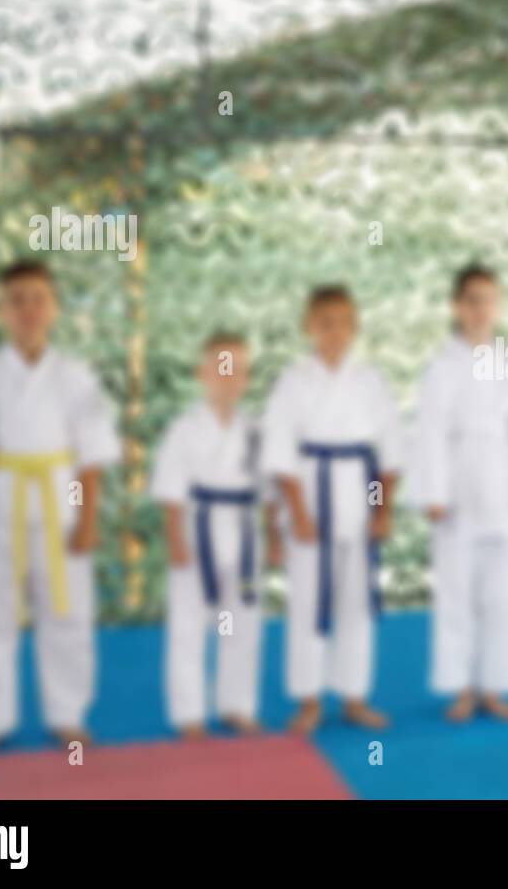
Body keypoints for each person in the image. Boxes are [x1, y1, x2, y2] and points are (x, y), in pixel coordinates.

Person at [0, 260, 119, 755]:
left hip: (60, 503)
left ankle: (68, 715)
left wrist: (86, 520)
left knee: (68, 614)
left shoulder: (77, 377)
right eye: (16, 299)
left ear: (54, 307)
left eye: (37, 298)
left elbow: (91, 460)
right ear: (2, 311)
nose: (28, 309)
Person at [411, 264, 508, 722]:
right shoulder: (441, 366)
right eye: (472, 300)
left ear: (496, 306)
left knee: (504, 594)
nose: (480, 309)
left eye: (488, 300)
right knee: (457, 592)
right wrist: (432, 490)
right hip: (458, 488)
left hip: (505, 482)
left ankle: (495, 686)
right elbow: (431, 432)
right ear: (458, 307)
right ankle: (461, 687)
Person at [263, 285, 401, 733]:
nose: (335, 332)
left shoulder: (370, 380)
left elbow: (388, 453)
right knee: (307, 600)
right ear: (308, 326)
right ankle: (308, 699)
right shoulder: (292, 380)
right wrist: (297, 512)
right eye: (325, 323)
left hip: (359, 493)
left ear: (355, 327)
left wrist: (382, 510)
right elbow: (279, 451)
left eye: (343, 322)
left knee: (357, 601)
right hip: (311, 491)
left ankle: (355, 695)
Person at [152, 332, 275, 739]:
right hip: (198, 529)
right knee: (189, 623)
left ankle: (237, 705)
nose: (229, 377)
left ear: (247, 378)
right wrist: (175, 539)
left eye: (238, 369)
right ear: (202, 373)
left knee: (242, 622)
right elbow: (171, 491)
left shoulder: (256, 430)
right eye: (221, 367)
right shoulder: (184, 429)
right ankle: (189, 714)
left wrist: (273, 536)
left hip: (243, 531)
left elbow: (268, 491)